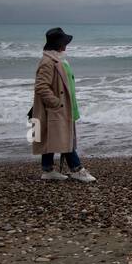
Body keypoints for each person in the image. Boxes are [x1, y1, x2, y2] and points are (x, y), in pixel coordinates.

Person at [31, 27, 96, 182]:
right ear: (58, 44)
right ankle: (77, 169)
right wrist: (56, 103)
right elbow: (41, 86)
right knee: (65, 138)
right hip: (56, 109)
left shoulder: (58, 59)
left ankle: (47, 170)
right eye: (64, 42)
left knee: (52, 138)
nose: (66, 45)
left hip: (65, 107)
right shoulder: (48, 62)